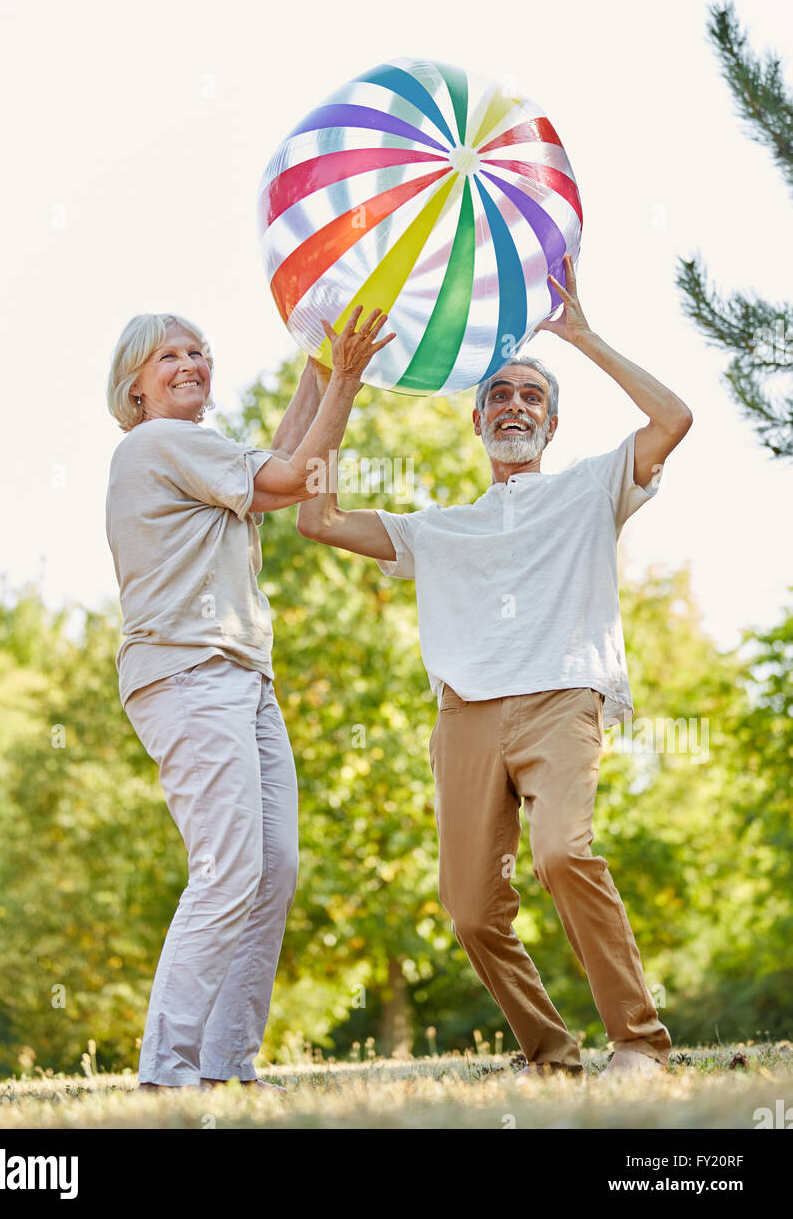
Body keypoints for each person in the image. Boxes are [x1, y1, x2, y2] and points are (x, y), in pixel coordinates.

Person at [297, 255, 693, 1084]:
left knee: (561, 853)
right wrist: (342, 386)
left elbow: (674, 417)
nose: (516, 405)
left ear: (551, 423)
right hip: (466, 715)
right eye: (501, 396)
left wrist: (583, 336)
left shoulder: (591, 488)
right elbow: (317, 517)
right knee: (472, 909)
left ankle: (639, 1043)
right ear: (476, 422)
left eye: (532, 397)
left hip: (560, 699)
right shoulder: (437, 528)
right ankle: (549, 1055)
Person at [104, 305, 394, 1091]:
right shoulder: (159, 443)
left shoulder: (197, 448)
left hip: (240, 676)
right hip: (189, 673)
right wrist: (349, 380)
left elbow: (280, 461)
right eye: (169, 356)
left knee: (273, 868)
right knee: (229, 867)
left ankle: (228, 1064)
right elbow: (295, 479)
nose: (191, 362)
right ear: (136, 388)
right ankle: (168, 1070)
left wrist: (321, 366)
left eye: (198, 350)